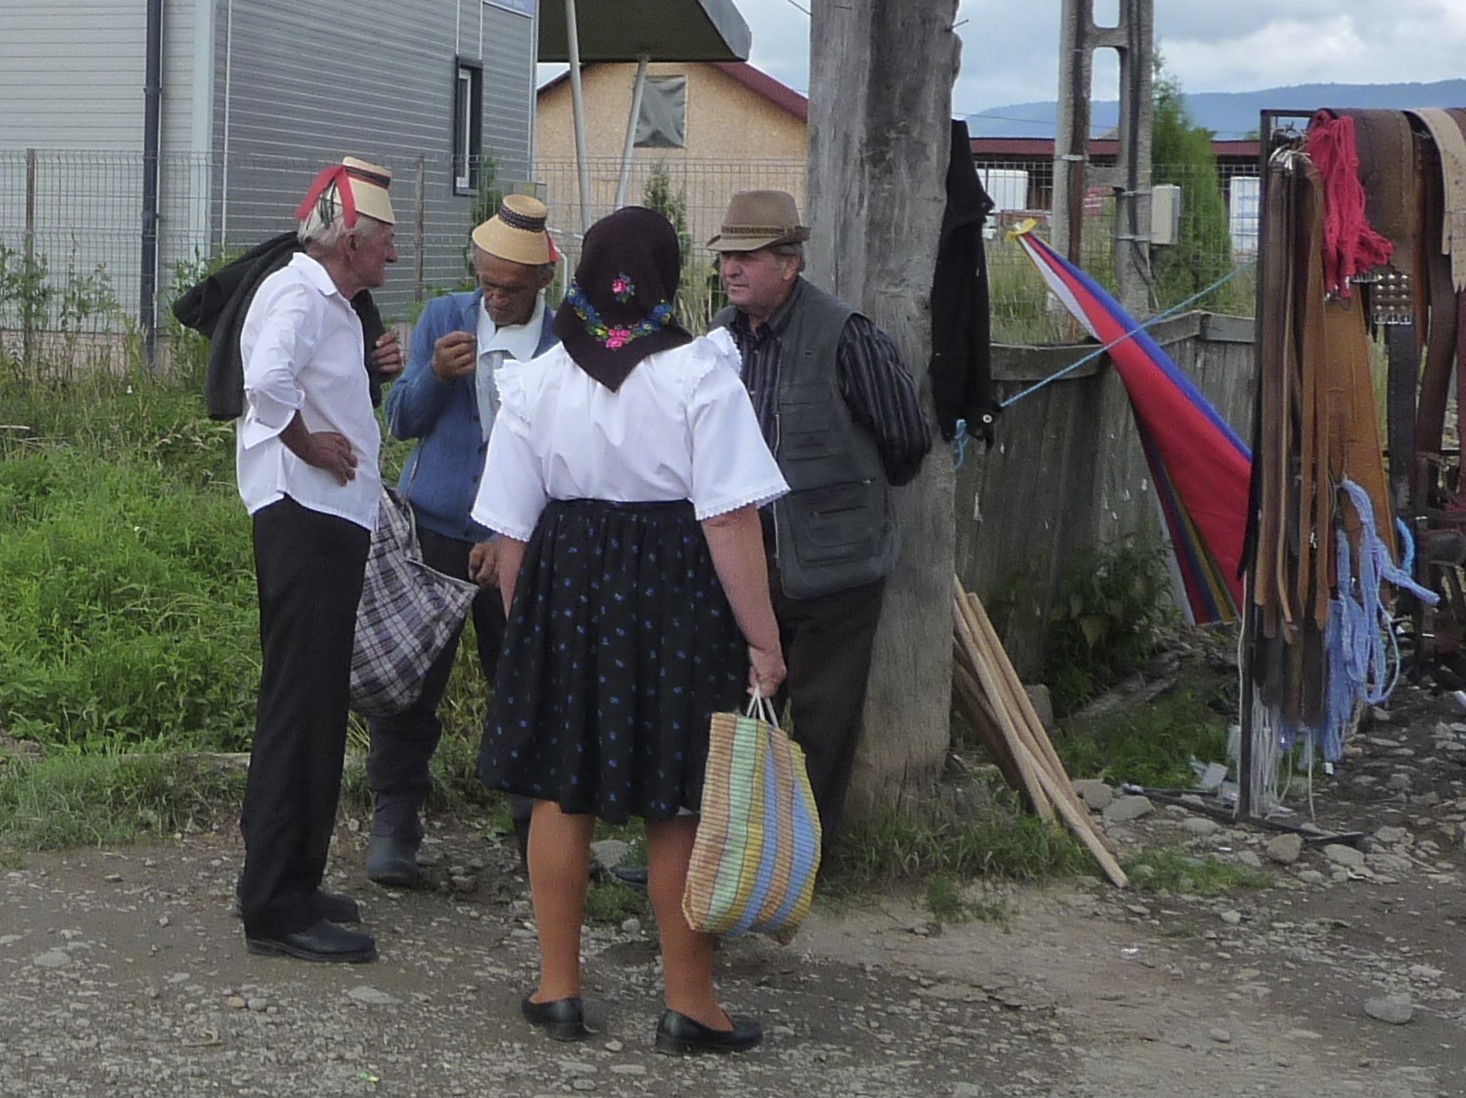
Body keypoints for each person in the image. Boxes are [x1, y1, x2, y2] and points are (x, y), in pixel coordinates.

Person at [470, 206, 789, 1054]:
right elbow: (729, 521)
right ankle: (690, 1004)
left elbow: (508, 533)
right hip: (678, 597)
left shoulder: (535, 381)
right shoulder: (701, 373)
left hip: (567, 591)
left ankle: (558, 990)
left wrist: (526, 639)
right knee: (678, 798)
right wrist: (764, 641)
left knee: (560, 791)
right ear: (665, 275)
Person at [706, 189, 932, 852]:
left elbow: (905, 440)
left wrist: (840, 507)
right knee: (738, 715)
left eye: (747, 257)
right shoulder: (716, 344)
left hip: (835, 568)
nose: (731, 270)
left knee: (826, 724)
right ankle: (732, 856)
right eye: (726, 258)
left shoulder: (845, 334)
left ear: (789, 264)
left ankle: (803, 859)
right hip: (746, 565)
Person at [364, 196, 558, 887]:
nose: (495, 298)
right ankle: (394, 822)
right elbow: (401, 421)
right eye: (486, 283)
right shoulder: (446, 319)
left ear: (543, 280)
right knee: (410, 685)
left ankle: (538, 834)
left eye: (509, 287)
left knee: (526, 685)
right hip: (436, 528)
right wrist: (435, 376)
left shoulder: (562, 341)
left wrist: (517, 534)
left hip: (521, 542)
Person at [233, 157, 398, 964]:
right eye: (385, 242)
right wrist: (307, 441)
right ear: (350, 240)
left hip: (326, 518)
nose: (392, 257)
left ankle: (293, 876)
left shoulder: (332, 302)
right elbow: (261, 382)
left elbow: (307, 379)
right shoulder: (300, 291)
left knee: (317, 704)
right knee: (300, 706)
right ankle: (272, 902)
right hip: (303, 516)